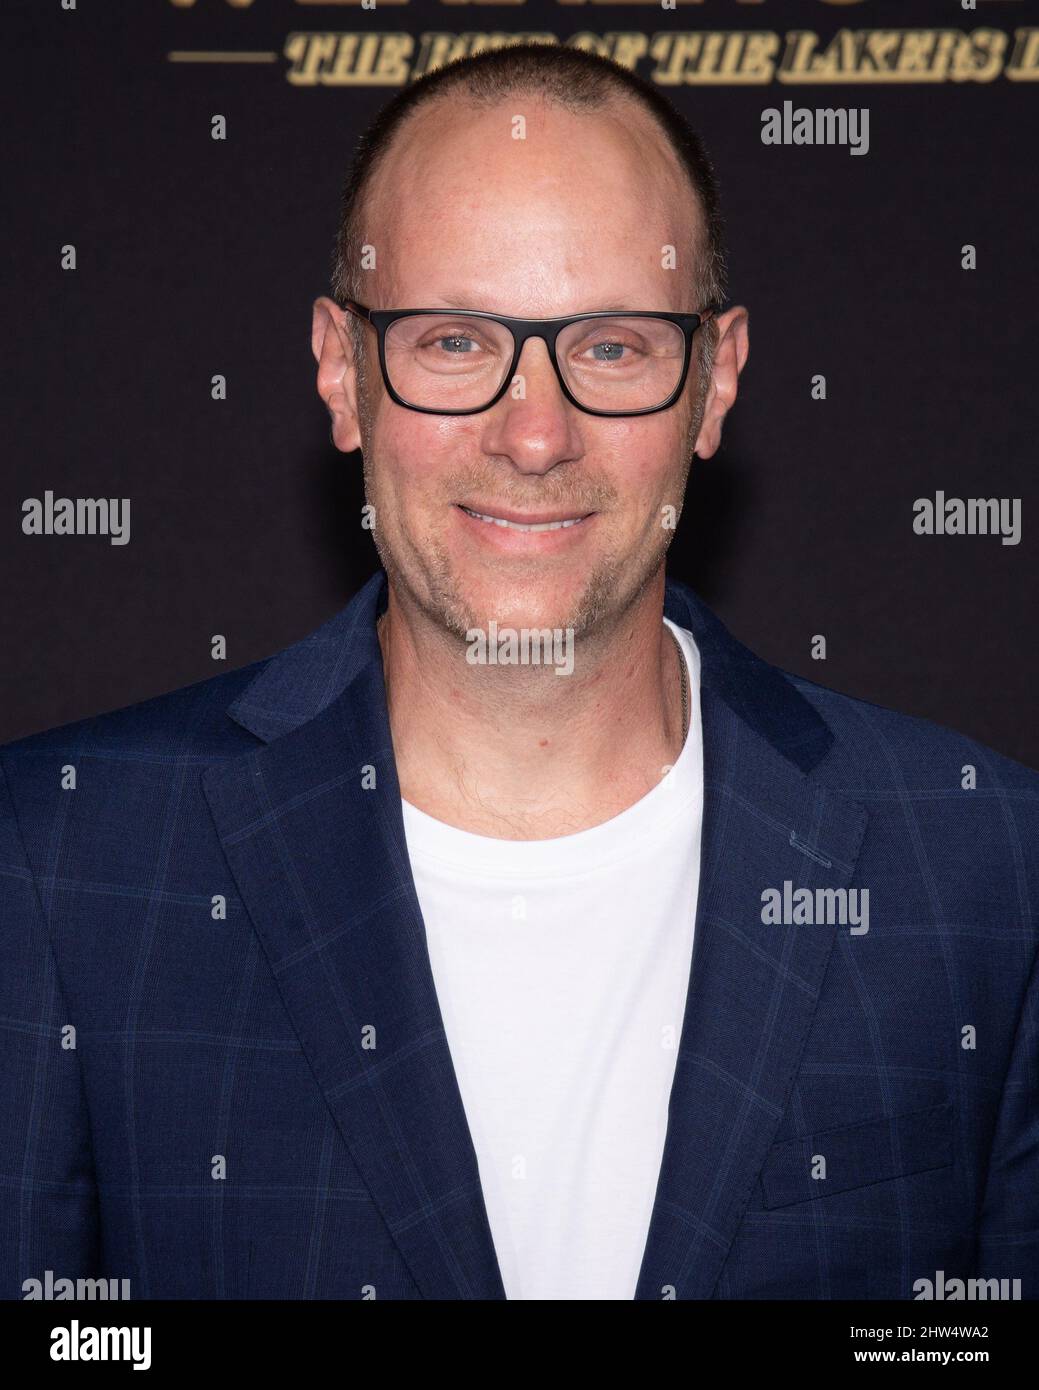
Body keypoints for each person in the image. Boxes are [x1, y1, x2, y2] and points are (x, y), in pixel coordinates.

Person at [2, 43, 1036, 1302]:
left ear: (714, 381)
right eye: (451, 341)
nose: (534, 434)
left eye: (608, 347)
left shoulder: (985, 869)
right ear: (341, 371)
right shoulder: (64, 862)